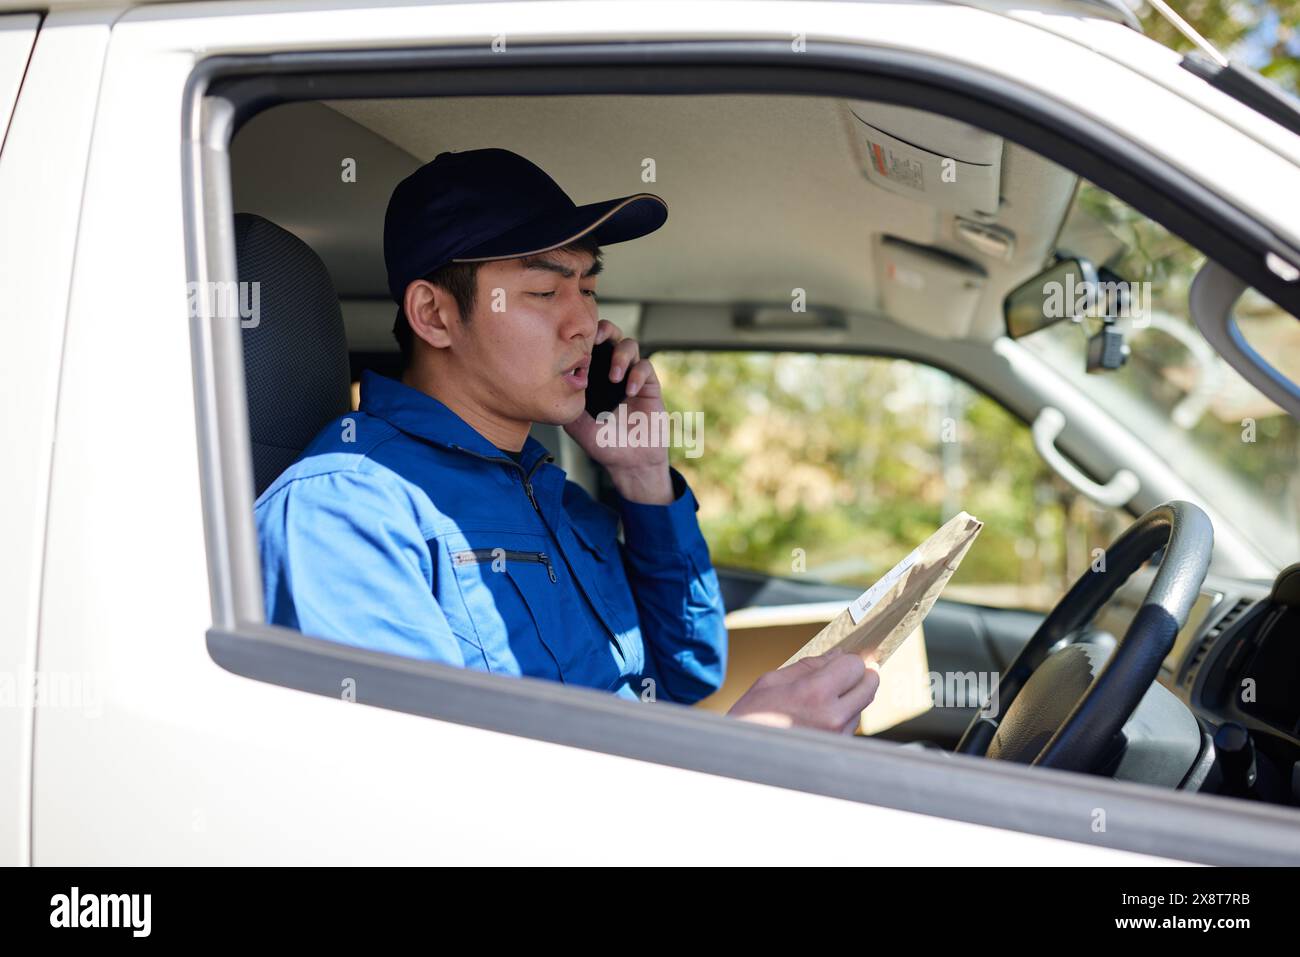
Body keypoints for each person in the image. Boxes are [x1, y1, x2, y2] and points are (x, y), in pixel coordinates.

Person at [255, 148, 879, 733]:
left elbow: (687, 674)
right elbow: (426, 806)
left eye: (587, 288)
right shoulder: (345, 511)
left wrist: (642, 477)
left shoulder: (555, 495)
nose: (585, 323)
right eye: (545, 291)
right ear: (435, 316)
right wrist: (754, 748)